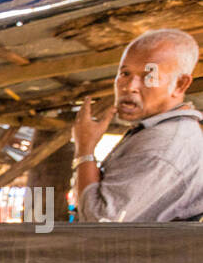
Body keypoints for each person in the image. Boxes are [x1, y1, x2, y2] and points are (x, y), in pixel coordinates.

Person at [74, 29, 203, 222]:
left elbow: (99, 225)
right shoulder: (161, 132)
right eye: (125, 73)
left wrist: (84, 150)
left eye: (148, 76)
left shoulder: (163, 144)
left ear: (180, 85)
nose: (129, 86)